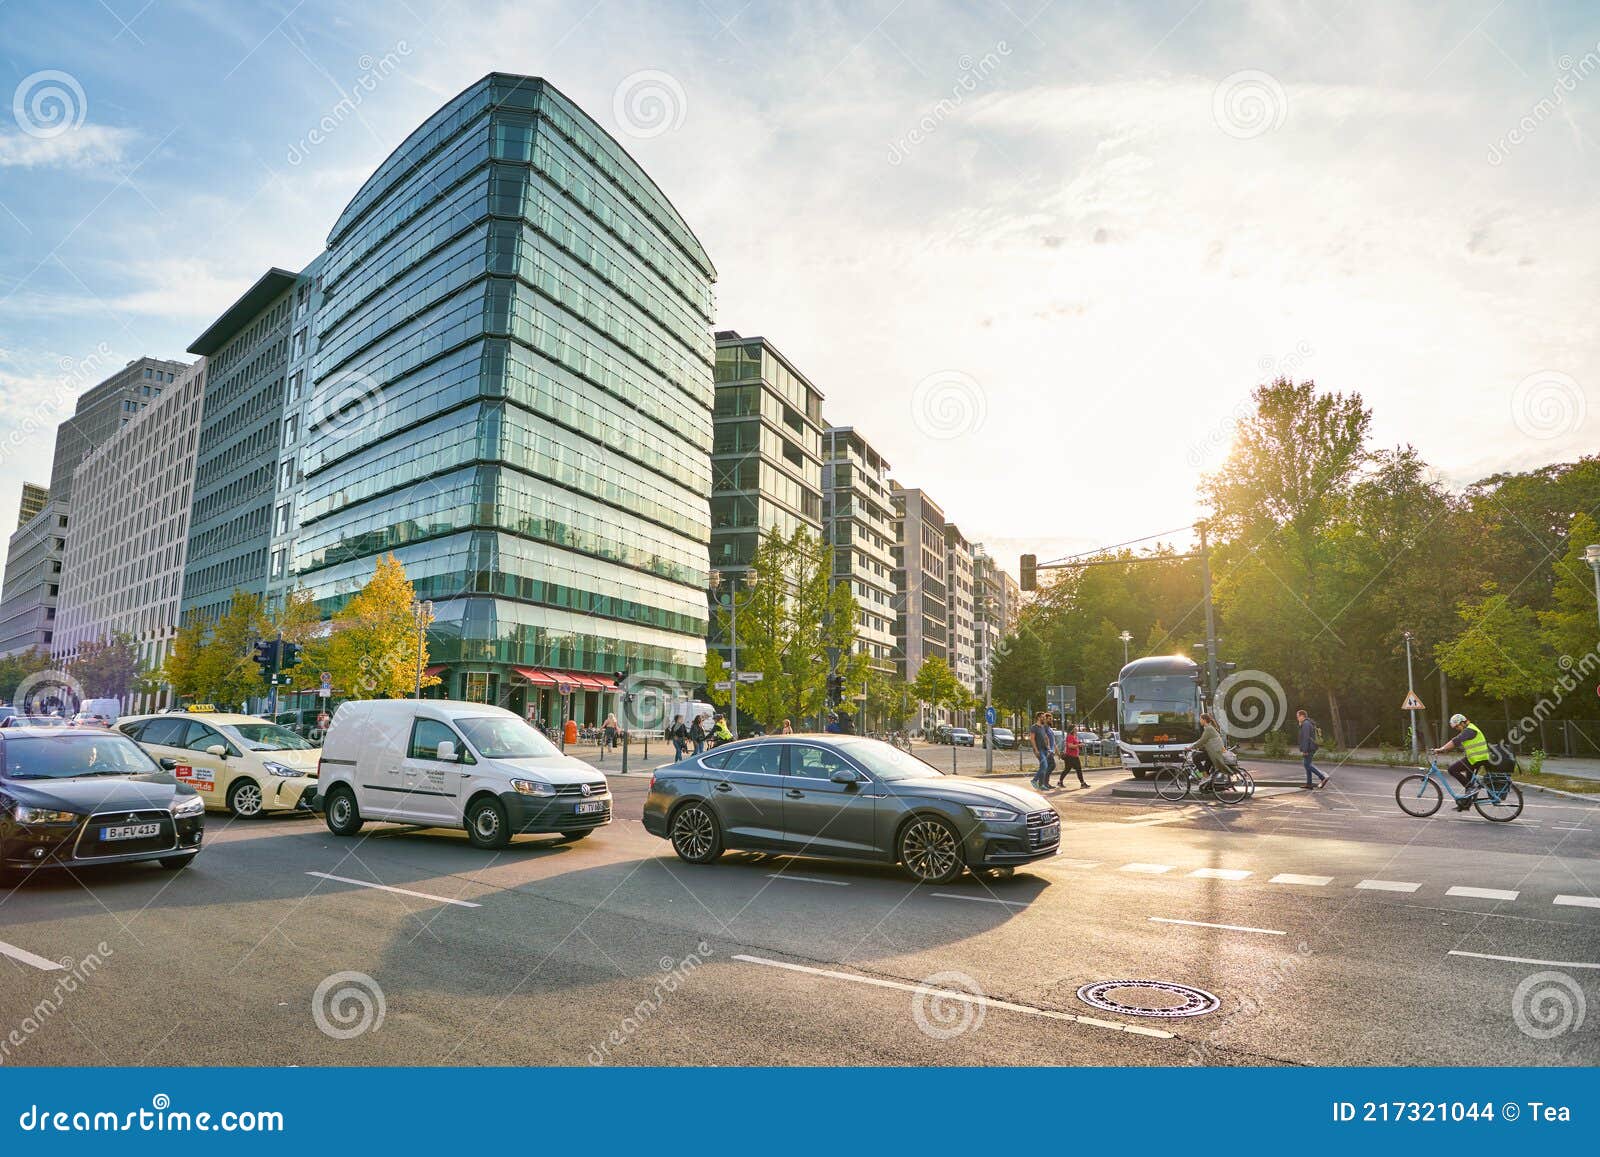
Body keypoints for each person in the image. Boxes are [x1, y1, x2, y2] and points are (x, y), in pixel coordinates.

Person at [1433, 713, 1496, 811]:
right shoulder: (1469, 729)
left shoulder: (1470, 730)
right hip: (1477, 758)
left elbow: (1455, 741)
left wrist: (1441, 749)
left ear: (1462, 722)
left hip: (1476, 759)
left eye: (1457, 726)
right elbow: (1457, 742)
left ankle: (1472, 789)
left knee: (1452, 770)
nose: (1457, 728)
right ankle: (1465, 804)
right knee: (1468, 781)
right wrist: (1445, 749)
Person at [1190, 712, 1237, 790]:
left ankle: (1206, 777)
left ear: (1204, 720)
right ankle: (1207, 784)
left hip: (1214, 753)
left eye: (1200, 719)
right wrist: (1194, 745)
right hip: (1215, 751)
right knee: (1206, 765)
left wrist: (1191, 747)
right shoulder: (1209, 728)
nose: (1200, 721)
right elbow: (1205, 741)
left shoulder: (1208, 729)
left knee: (1195, 758)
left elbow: (1202, 740)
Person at [1296, 708, 1328, 789]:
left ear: (1302, 716)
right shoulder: (1307, 723)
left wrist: (1305, 750)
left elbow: (1306, 738)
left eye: (1298, 716)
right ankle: (1309, 784)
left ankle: (1322, 777)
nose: (1297, 718)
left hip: (1309, 748)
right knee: (1307, 765)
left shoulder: (1306, 724)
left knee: (1307, 764)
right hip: (1311, 747)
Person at [1057, 723, 1087, 789]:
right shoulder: (1070, 736)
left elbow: (1074, 743)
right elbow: (1070, 746)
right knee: (1078, 769)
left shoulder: (1074, 736)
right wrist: (1078, 745)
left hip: (1073, 756)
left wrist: (1079, 744)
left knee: (1067, 769)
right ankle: (1082, 783)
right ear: (1072, 730)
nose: (1076, 730)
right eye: (1075, 729)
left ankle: (1060, 781)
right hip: (1071, 756)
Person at [1029, 712, 1053, 790]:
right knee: (1045, 765)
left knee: (1043, 767)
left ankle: (1041, 784)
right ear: (1039, 718)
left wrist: (1048, 746)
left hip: (1045, 749)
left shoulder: (1043, 727)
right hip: (1039, 750)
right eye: (1043, 717)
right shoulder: (1034, 727)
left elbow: (1046, 737)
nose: (1044, 718)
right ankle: (1034, 780)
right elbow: (1032, 739)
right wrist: (1036, 750)